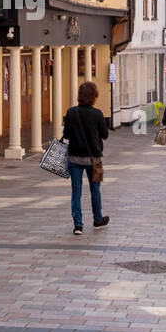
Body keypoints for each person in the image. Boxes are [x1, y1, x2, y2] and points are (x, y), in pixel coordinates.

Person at [63, 82, 110, 236]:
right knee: (95, 190)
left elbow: (67, 135)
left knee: (76, 191)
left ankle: (78, 225)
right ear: (94, 96)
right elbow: (105, 135)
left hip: (74, 158)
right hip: (94, 159)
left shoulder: (71, 112)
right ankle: (97, 219)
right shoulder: (97, 114)